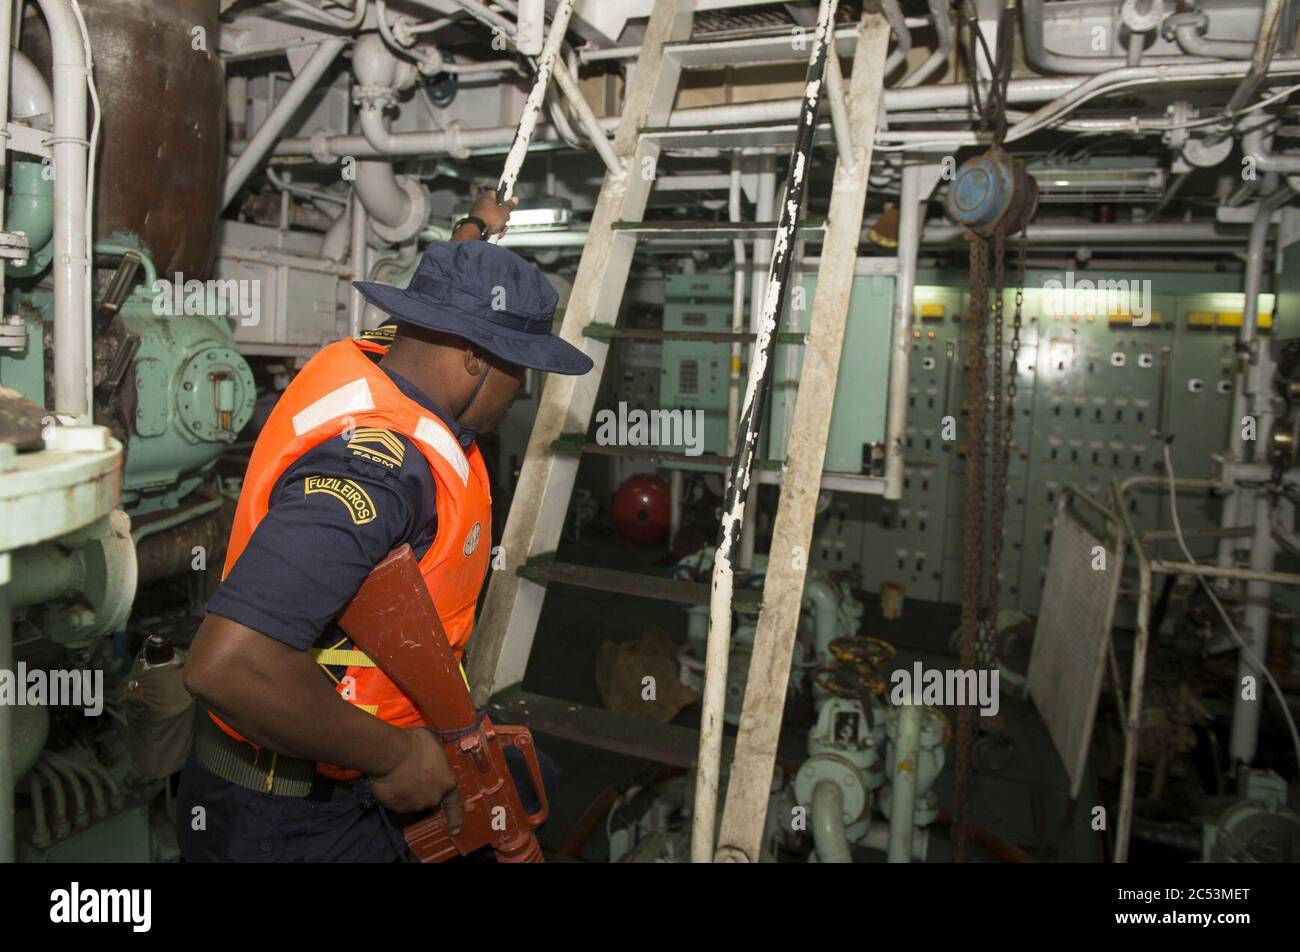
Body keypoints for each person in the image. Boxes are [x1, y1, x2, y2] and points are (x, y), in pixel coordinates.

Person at [176, 191, 593, 862]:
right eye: (520, 367)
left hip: (345, 780)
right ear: (476, 358)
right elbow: (228, 665)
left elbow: (451, 298)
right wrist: (398, 755)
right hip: (290, 820)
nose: (522, 388)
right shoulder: (377, 470)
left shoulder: (391, 358)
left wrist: (478, 228)